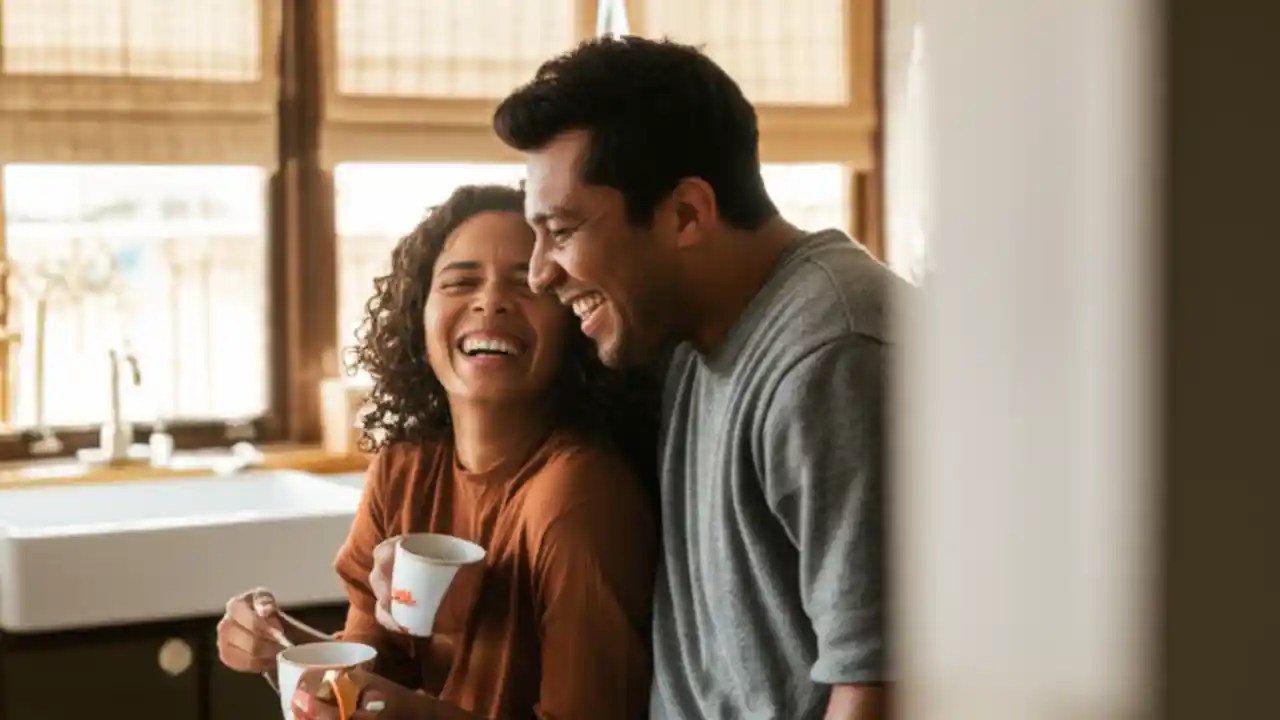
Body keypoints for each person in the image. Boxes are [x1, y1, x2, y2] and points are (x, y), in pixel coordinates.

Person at [491, 37, 904, 720]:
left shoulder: (831, 357)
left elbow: (882, 681)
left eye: (560, 231)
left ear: (686, 214)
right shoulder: (683, 328)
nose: (539, 274)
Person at [216, 184, 659, 719]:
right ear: (417, 318)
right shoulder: (404, 469)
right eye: (461, 282)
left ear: (573, 321)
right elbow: (371, 673)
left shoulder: (579, 495)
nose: (490, 301)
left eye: (525, 283)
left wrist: (400, 712)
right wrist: (281, 649)